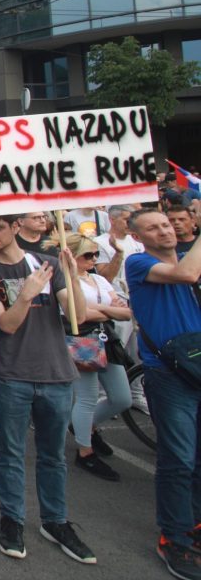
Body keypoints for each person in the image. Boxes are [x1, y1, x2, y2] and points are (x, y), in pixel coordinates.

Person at [0, 213, 93, 563]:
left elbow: (78, 317)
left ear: (15, 228)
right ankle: (12, 520)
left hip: (56, 374)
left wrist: (73, 278)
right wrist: (25, 295)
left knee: (53, 455)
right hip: (11, 374)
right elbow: (6, 324)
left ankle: (55, 521)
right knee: (11, 453)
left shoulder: (48, 263)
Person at [123, 208, 201, 579]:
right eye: (153, 228)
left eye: (167, 224)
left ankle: (195, 525)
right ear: (138, 237)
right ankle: (174, 538)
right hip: (167, 374)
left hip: (197, 366)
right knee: (179, 458)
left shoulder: (188, 256)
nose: (165, 231)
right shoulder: (138, 263)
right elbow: (185, 275)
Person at [58, 234, 133, 482]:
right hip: (81, 343)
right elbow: (76, 316)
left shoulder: (100, 279)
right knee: (87, 396)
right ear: (72, 256)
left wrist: (97, 311)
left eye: (95, 255)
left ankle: (82, 426)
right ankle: (85, 449)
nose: (93, 259)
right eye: (87, 255)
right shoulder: (64, 282)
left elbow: (125, 313)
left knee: (122, 398)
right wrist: (107, 311)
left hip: (106, 341)